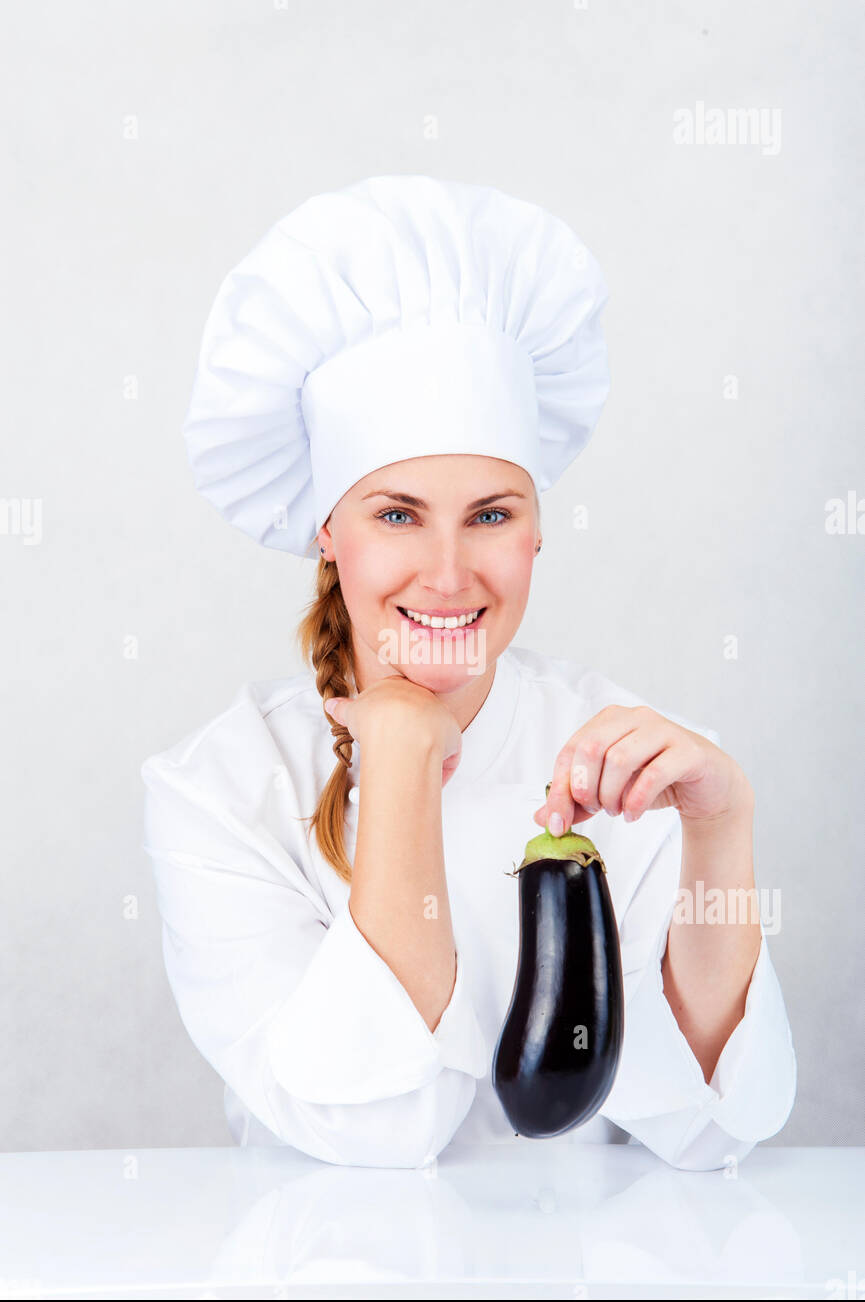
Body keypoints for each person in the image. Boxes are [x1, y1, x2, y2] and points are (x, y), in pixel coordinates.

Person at [141, 174, 796, 1170]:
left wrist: (720, 826)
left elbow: (714, 1123)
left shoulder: (622, 746)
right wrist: (399, 755)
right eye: (396, 514)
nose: (449, 574)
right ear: (328, 533)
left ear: (537, 531)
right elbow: (369, 1132)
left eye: (491, 514)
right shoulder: (218, 790)